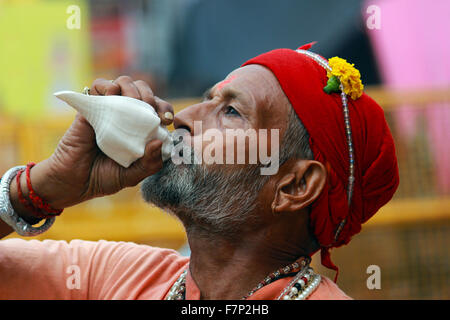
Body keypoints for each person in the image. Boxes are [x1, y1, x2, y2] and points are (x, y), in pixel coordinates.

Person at [0, 45, 399, 300]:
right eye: (207, 99)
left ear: (294, 185)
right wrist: (42, 189)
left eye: (230, 111)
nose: (185, 117)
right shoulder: (115, 277)